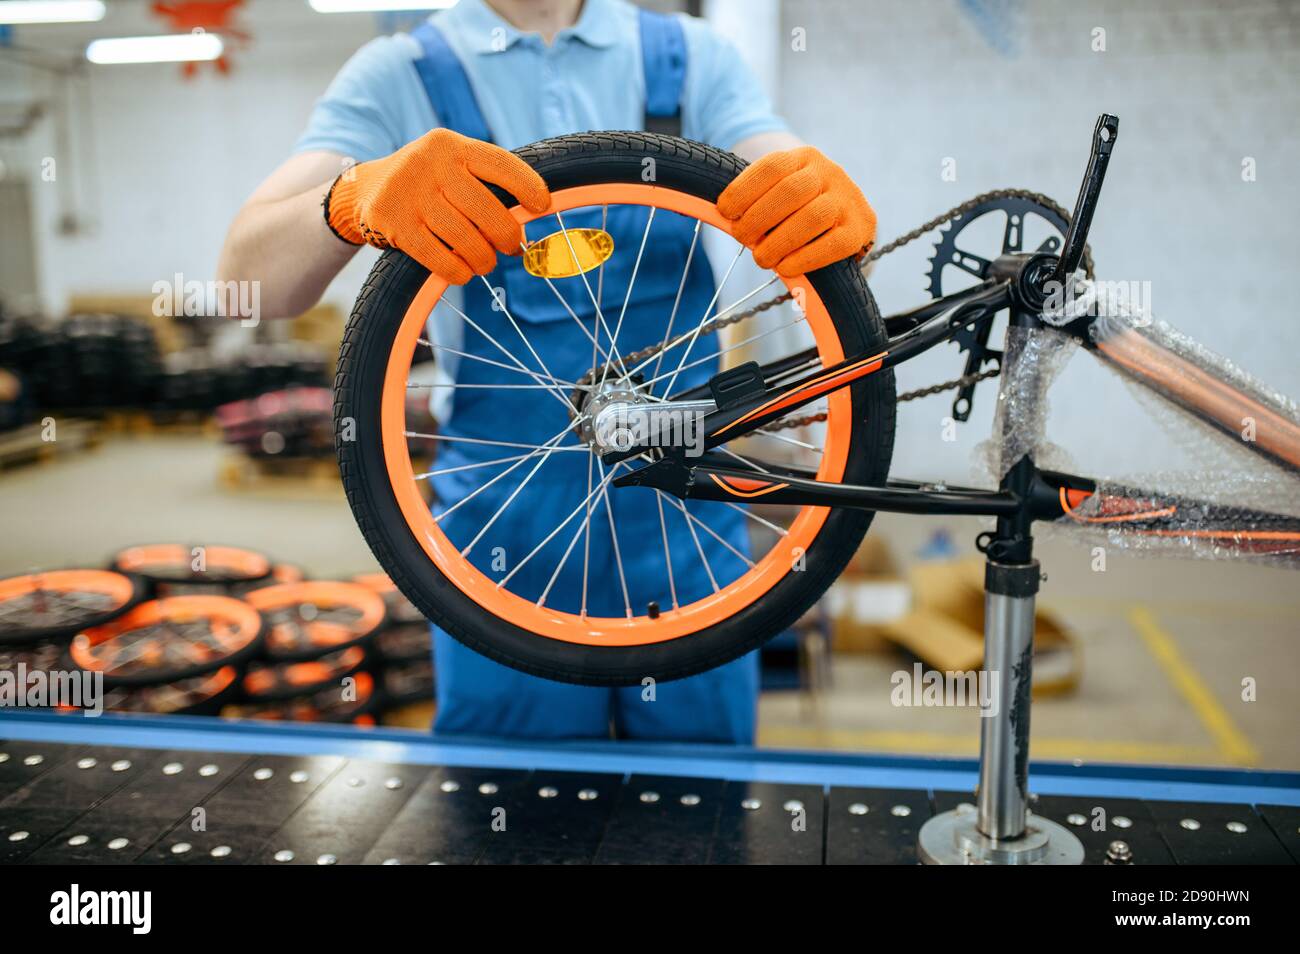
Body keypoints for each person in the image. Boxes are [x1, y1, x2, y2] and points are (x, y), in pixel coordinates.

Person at [218, 0, 875, 744]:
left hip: (686, 524)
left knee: (702, 806)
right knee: (510, 810)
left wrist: (819, 207)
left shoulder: (690, 57)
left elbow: (786, 178)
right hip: (503, 538)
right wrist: (350, 200)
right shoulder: (400, 71)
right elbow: (248, 283)